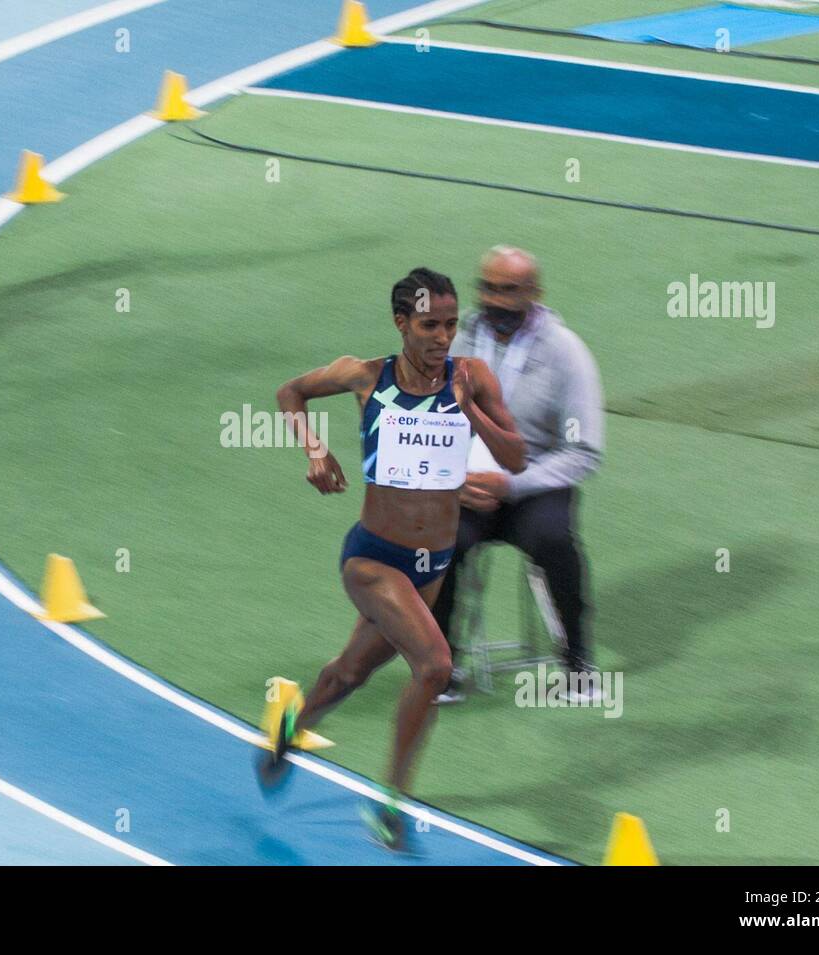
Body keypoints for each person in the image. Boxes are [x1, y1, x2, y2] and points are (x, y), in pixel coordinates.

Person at [258, 267, 525, 850]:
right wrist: (314, 450)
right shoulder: (365, 376)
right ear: (401, 323)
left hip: (433, 565)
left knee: (350, 674)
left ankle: (289, 727)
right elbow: (290, 392)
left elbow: (517, 456)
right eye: (430, 324)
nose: (442, 337)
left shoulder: (471, 377)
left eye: (452, 324)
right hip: (373, 559)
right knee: (433, 666)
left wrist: (471, 414)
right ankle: (392, 806)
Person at [430, 247, 604, 704]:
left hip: (536, 483)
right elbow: (428, 420)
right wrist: (454, 477)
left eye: (509, 290)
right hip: (467, 483)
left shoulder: (567, 353)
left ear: (535, 293)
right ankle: (442, 666)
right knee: (436, 542)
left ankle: (578, 663)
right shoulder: (458, 339)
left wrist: (514, 485)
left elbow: (584, 450)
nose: (496, 300)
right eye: (487, 288)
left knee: (554, 542)